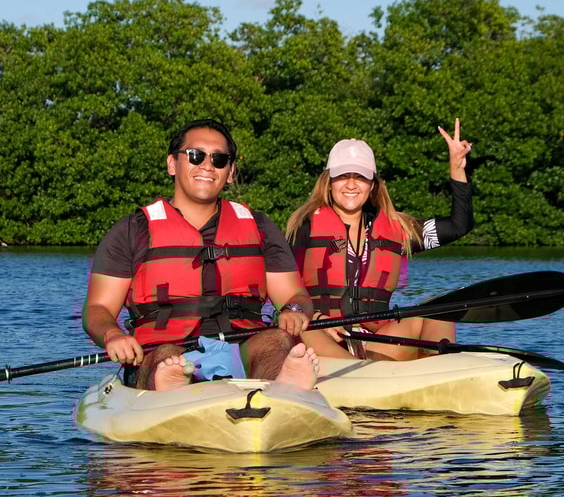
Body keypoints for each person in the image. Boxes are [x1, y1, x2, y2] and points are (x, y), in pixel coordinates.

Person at [83, 119, 320, 392]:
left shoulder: (260, 227)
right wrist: (112, 335)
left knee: (276, 341)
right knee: (166, 356)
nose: (208, 165)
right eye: (196, 156)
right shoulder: (132, 230)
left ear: (230, 172)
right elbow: (97, 310)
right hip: (161, 347)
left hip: (241, 347)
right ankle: (171, 384)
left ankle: (285, 384)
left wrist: (294, 310)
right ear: (172, 164)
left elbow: (295, 296)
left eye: (219, 159)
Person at [285, 119, 474, 361]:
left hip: (377, 342)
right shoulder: (304, 227)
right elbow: (282, 287)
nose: (351, 184)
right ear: (329, 182)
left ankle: (441, 371)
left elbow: (459, 225)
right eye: (343, 176)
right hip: (321, 338)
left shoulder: (399, 229)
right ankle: (360, 373)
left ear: (372, 185)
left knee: (434, 310)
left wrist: (457, 169)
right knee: (303, 327)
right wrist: (315, 318)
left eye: (360, 177)